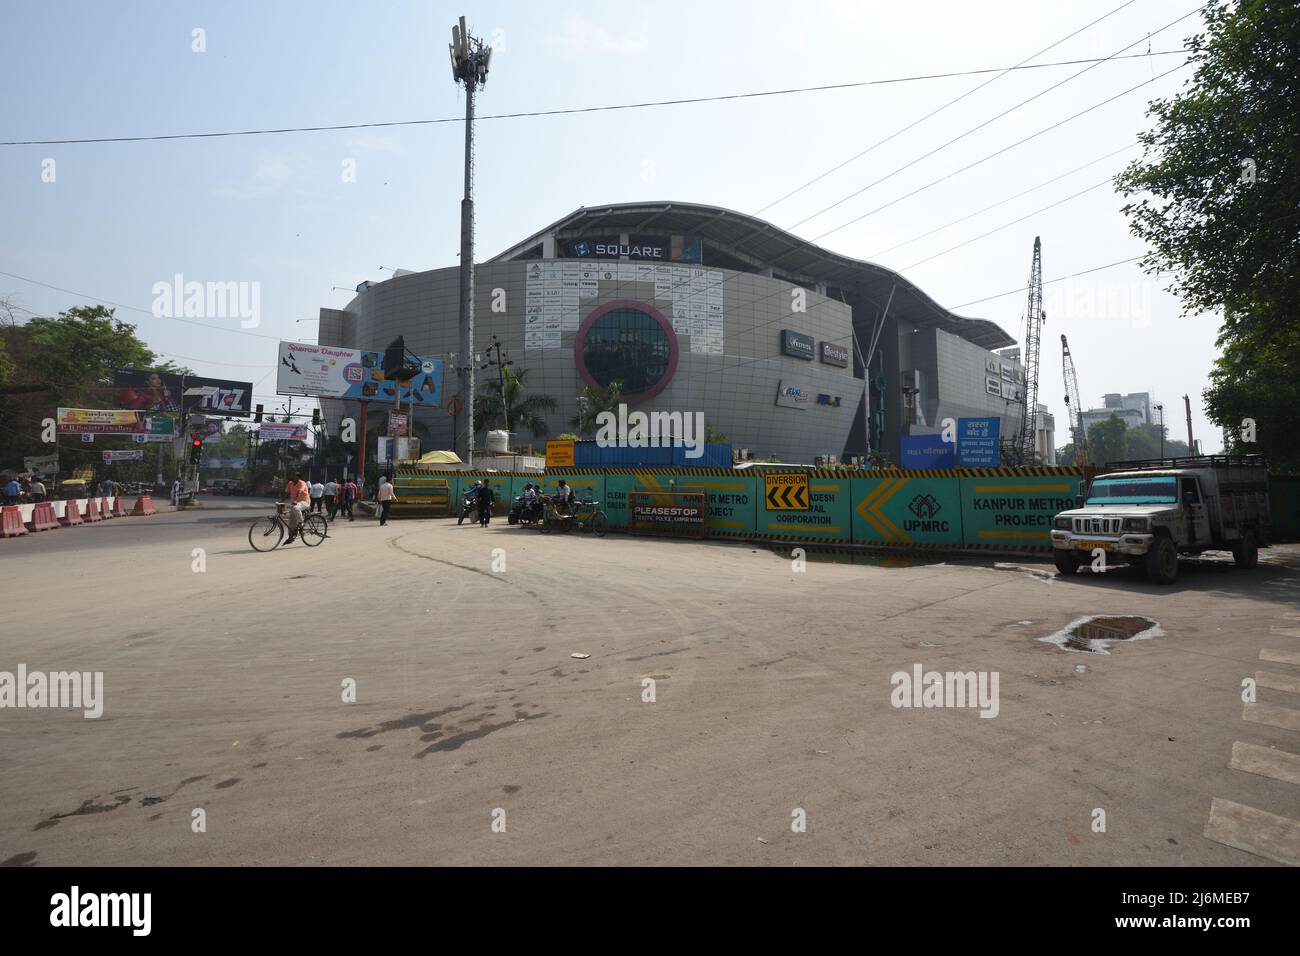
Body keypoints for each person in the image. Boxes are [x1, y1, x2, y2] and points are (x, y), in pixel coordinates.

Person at [283, 472, 311, 543]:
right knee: (291, 522)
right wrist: (281, 501)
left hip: (304, 502)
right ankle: (291, 536)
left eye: (294, 476)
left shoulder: (302, 483)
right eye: (292, 476)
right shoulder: (290, 483)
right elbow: (286, 493)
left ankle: (301, 523)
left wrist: (295, 500)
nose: (292, 477)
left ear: (298, 478)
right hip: (295, 503)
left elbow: (299, 492)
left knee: (295, 508)